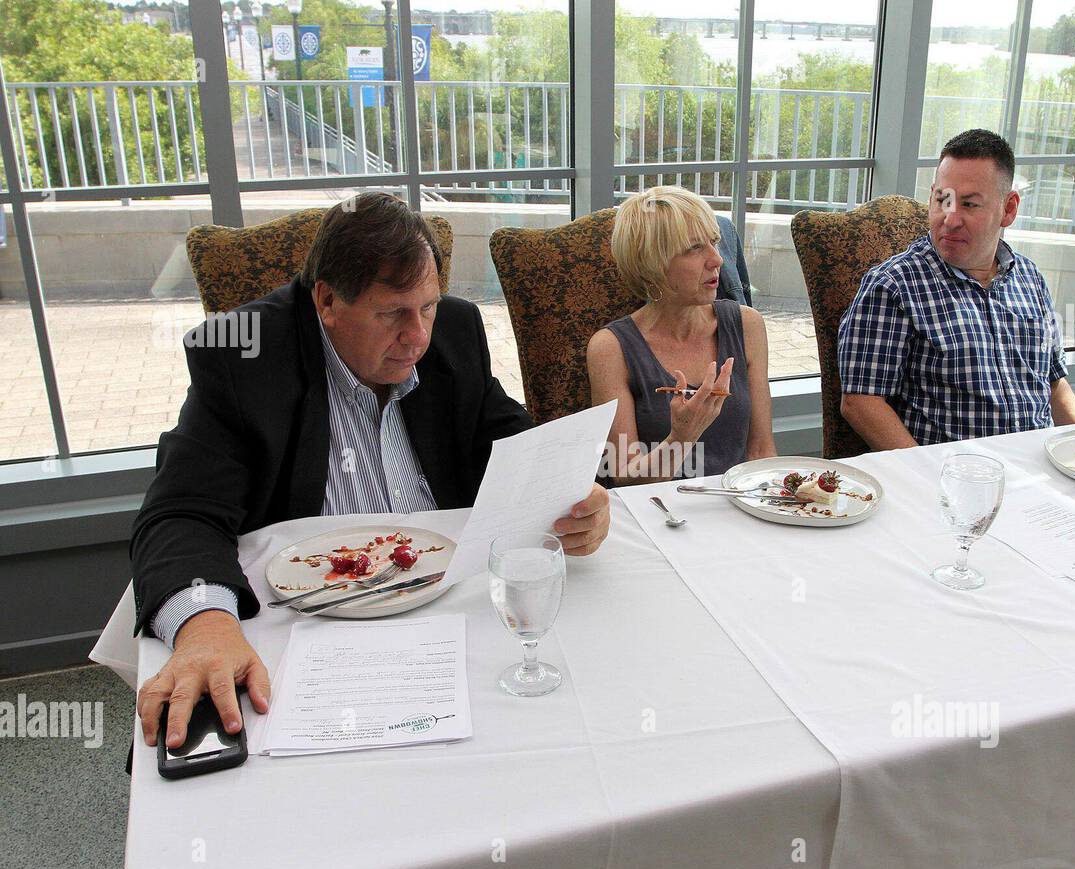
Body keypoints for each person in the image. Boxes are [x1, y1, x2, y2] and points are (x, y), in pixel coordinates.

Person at [133, 194, 610, 750]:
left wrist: (571, 495)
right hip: (306, 632)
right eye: (392, 314)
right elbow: (180, 511)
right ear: (328, 300)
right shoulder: (245, 358)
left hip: (452, 617)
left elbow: (510, 440)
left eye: (427, 307)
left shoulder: (454, 330)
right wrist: (207, 628)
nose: (418, 337)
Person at [837, 129, 1075, 450]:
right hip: (951, 476)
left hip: (1040, 467)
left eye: (969, 204)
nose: (950, 219)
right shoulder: (894, 286)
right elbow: (860, 402)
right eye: (943, 200)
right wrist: (930, 475)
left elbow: (1055, 384)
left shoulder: (1030, 278)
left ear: (1008, 209)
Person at [588, 185, 778, 484]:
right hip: (656, 514)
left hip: (737, 509)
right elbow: (622, 475)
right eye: (694, 248)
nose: (717, 260)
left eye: (714, 242)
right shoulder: (610, 348)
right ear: (650, 264)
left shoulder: (747, 325)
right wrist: (683, 436)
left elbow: (761, 451)